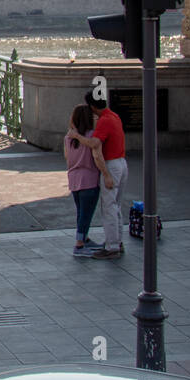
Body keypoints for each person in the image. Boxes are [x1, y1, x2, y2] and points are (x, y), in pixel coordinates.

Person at [70, 92, 127, 260]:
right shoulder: (114, 116)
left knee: (108, 207)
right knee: (116, 205)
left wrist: (77, 136)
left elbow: (95, 146)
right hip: (122, 162)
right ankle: (117, 241)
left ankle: (111, 247)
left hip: (111, 165)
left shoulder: (104, 121)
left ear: (93, 107)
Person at [63, 103, 113, 258]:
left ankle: (84, 239)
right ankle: (79, 245)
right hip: (89, 179)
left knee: (80, 212)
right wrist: (106, 175)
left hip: (74, 178)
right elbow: (97, 156)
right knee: (87, 213)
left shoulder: (68, 138)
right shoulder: (92, 136)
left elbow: (67, 157)